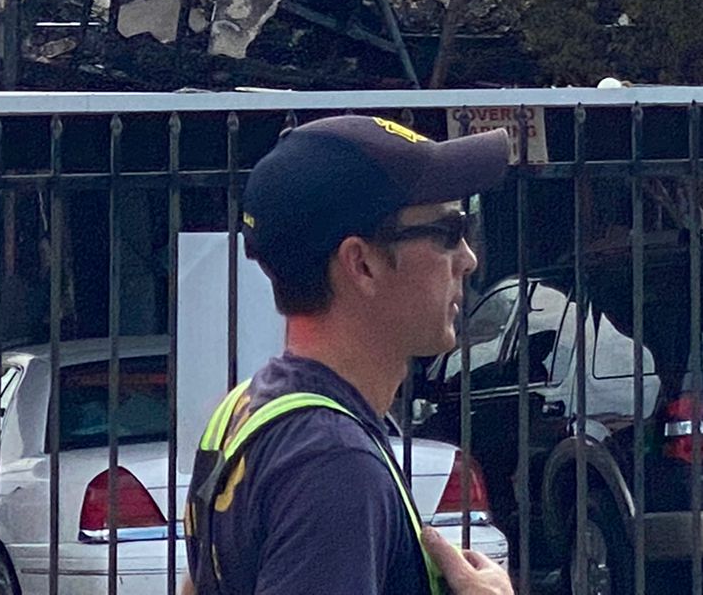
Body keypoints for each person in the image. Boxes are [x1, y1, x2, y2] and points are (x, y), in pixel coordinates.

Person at [184, 115, 517, 595]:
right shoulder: (333, 464)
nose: (468, 259)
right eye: (449, 231)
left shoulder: (247, 409)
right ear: (361, 264)